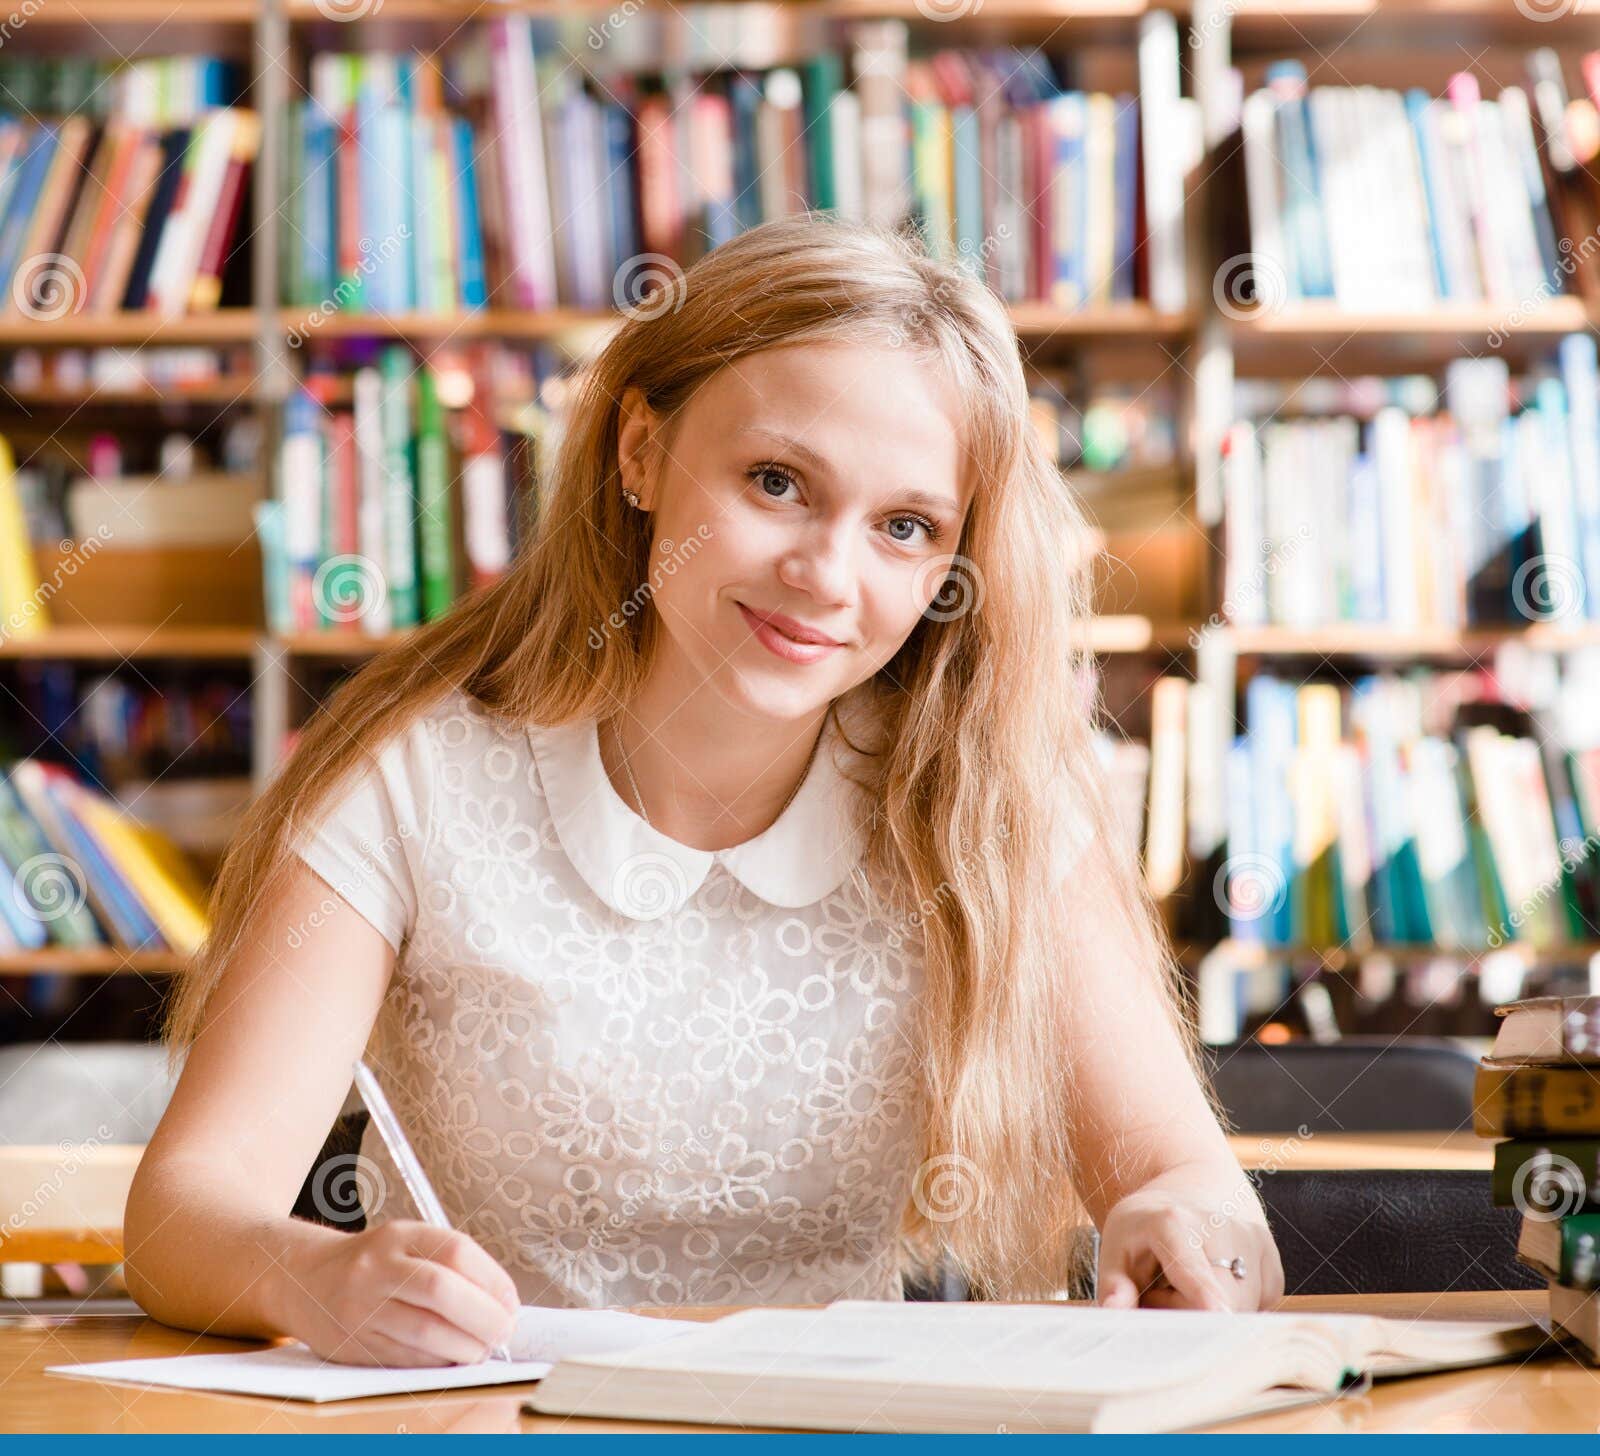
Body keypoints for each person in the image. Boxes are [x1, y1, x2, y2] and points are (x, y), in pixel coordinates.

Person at [125, 216, 1284, 1368]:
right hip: (482, 1441)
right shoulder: (414, 777)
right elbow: (184, 1213)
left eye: (904, 527)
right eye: (775, 482)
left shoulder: (992, 795)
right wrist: (315, 1276)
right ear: (638, 451)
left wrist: (1190, 1236)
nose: (826, 576)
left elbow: (1202, 1199)